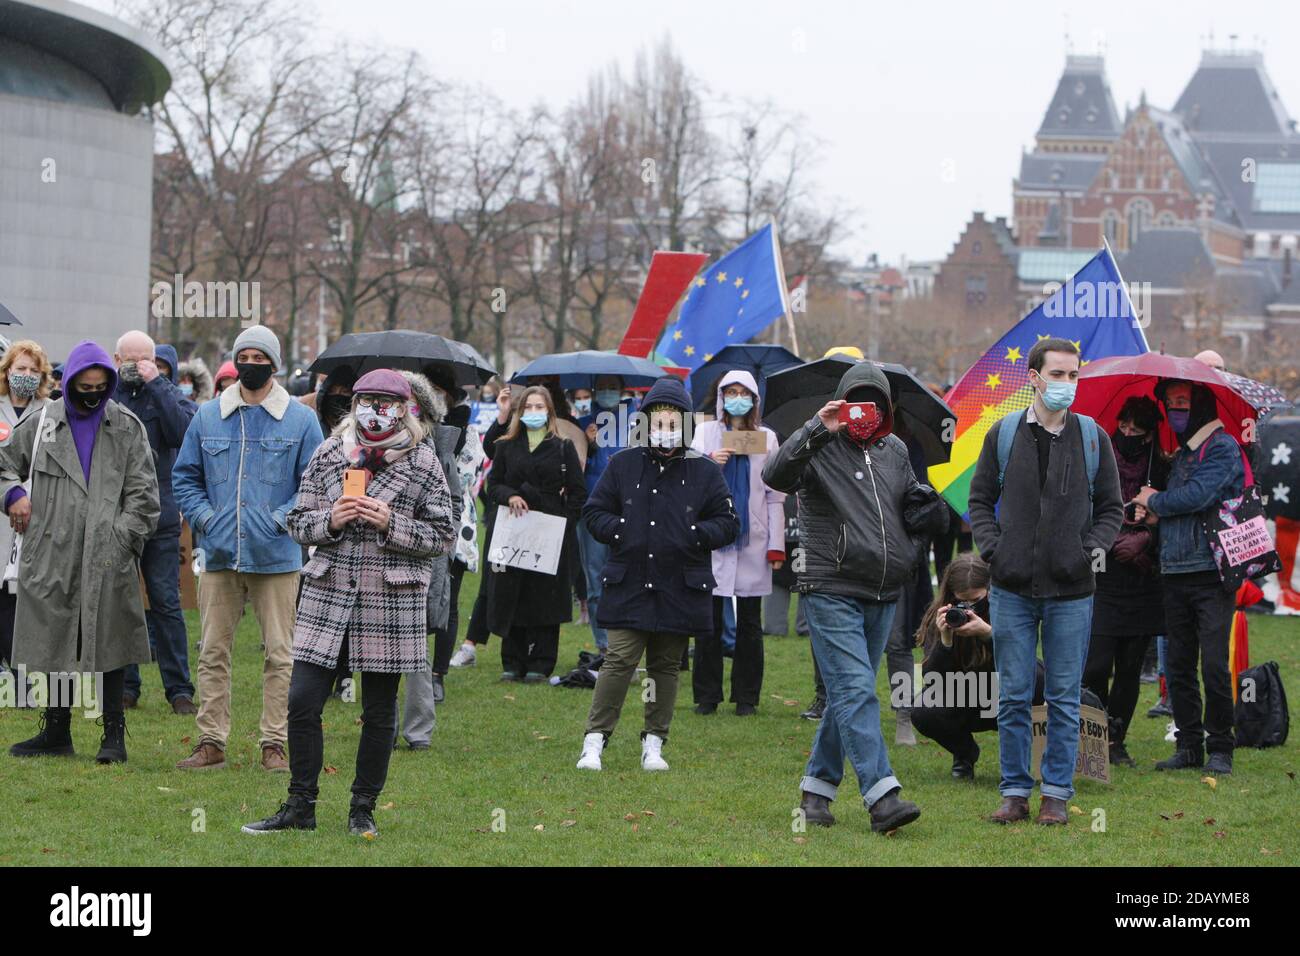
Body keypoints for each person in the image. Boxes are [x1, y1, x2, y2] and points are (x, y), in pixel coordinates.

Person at [242, 370, 454, 835]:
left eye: (386, 402)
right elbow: (298, 521)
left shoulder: (423, 461)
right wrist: (331, 521)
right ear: (353, 404)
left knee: (379, 711)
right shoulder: (329, 453)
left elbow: (442, 535)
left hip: (389, 599)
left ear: (405, 408)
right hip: (328, 592)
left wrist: (390, 522)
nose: (375, 410)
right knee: (302, 702)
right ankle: (301, 806)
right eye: (366, 400)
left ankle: (363, 810)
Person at [763, 361, 945, 833]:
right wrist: (815, 429)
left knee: (849, 695)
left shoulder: (896, 449)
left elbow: (905, 503)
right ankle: (883, 797)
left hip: (884, 588)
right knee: (857, 690)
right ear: (842, 403)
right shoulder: (820, 445)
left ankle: (816, 793)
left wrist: (926, 508)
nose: (866, 410)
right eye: (857, 400)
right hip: (830, 585)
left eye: (876, 402)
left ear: (885, 408)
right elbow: (775, 474)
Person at [968, 337, 1123, 825]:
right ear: (1034, 378)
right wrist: (996, 548)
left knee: (1063, 695)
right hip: (1011, 589)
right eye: (1058, 375)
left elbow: (1112, 509)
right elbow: (977, 503)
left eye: (1073, 375)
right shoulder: (1004, 433)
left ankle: (1056, 793)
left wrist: (1087, 552)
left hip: (1072, 592)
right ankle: (1014, 792)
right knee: (1013, 695)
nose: (1067, 384)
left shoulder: (1093, 437)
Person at [172, 326, 324, 771]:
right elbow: (185, 477)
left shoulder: (300, 420)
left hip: (277, 558)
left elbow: (314, 485)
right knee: (212, 651)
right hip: (219, 555)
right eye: (244, 355)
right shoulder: (207, 416)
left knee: (281, 654)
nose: (251, 363)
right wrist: (205, 519)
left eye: (260, 357)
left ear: (274, 365)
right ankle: (210, 741)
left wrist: (280, 520)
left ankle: (274, 742)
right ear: (235, 361)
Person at [2, 340, 160, 762]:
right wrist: (13, 493)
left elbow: (145, 495)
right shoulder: (42, 423)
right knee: (55, 636)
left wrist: (122, 537)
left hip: (109, 552)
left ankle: (113, 735)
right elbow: (3, 462)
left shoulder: (126, 426)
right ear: (69, 383)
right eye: (83, 386)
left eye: (99, 386)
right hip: (51, 550)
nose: (91, 393)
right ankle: (56, 730)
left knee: (112, 637)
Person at [576, 376, 738, 772]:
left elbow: (728, 522)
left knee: (666, 666)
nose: (664, 432)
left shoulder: (704, 471)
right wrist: (621, 530)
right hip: (630, 578)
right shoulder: (623, 464)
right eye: (657, 423)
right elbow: (594, 512)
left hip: (680, 583)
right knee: (619, 659)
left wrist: (696, 534)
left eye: (673, 423)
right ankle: (595, 740)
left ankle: (654, 743)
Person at [1133, 379, 1244, 776]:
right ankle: (1189, 745)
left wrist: (1154, 500)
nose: (1176, 409)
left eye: (1183, 402)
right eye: (1171, 403)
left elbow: (1197, 496)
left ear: (1200, 404)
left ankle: (1221, 747)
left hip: (1212, 575)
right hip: (1175, 572)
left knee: (1213, 664)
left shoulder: (1222, 447)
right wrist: (1155, 515)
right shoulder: (1182, 454)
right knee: (1178, 666)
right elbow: (1182, 510)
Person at [689, 370, 784, 716]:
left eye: (745, 392)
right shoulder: (705, 433)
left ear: (755, 400)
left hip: (754, 540)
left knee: (749, 623)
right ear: (721, 397)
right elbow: (687, 482)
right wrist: (709, 463)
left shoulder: (767, 438)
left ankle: (746, 697)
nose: (738, 398)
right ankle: (706, 695)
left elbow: (775, 495)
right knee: (708, 621)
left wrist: (777, 547)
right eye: (731, 392)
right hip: (713, 538)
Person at [114, 333, 199, 714]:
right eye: (128, 359)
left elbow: (184, 433)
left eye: (143, 359)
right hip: (115, 517)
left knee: (166, 602)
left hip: (160, 516)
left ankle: (179, 689)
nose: (135, 365)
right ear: (117, 358)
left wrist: (157, 383)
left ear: (155, 359)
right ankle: (126, 685)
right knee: (122, 602)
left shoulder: (165, 392)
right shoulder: (108, 392)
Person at [1083, 396, 1170, 766]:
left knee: (1130, 666)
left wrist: (1150, 533)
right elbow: (1083, 509)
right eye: (1124, 426)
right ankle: (1092, 735)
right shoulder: (1099, 460)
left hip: (1143, 578)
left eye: (1137, 429)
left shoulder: (1163, 469)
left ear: (1151, 434)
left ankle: (1117, 740)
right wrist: (1112, 536)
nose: (1128, 434)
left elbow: (1175, 514)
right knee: (1096, 664)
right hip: (1102, 576)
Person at [910, 553, 1045, 779]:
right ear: (950, 596)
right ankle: (964, 754)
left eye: (977, 600)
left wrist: (990, 635)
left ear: (990, 590)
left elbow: (1028, 667)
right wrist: (945, 643)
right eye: (963, 602)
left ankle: (1028, 757)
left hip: (1007, 694)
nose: (970, 609)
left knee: (1039, 680)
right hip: (965, 697)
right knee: (922, 711)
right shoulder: (941, 616)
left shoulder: (1008, 610)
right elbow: (931, 681)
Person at [484, 385, 586, 681]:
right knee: (510, 591)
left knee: (546, 595)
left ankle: (542, 661)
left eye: (539, 407)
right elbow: (495, 485)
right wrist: (510, 496)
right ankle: (512, 661)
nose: (533, 413)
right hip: (513, 528)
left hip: (549, 529)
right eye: (527, 408)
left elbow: (578, 492)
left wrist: (564, 522)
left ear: (549, 412)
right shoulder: (506, 445)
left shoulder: (563, 446)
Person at [417, 365, 484, 703]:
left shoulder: (466, 431)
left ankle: (438, 673)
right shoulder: (414, 426)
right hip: (416, 522)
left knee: (448, 599)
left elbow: (467, 475)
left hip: (456, 524)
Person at [0, 340, 54, 682]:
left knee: (19, 594)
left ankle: (22, 670)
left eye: (34, 371)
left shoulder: (50, 412)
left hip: (35, 512)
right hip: (3, 508)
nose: (27, 376)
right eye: (21, 369)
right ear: (7, 371)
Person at [574, 375, 635, 653]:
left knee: (628, 577)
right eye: (603, 388)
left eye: (614, 388)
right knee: (596, 578)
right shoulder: (583, 422)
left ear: (622, 390)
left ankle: (627, 641)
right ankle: (603, 644)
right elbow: (572, 467)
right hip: (593, 511)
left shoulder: (637, 420)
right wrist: (588, 444)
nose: (608, 393)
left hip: (631, 510)